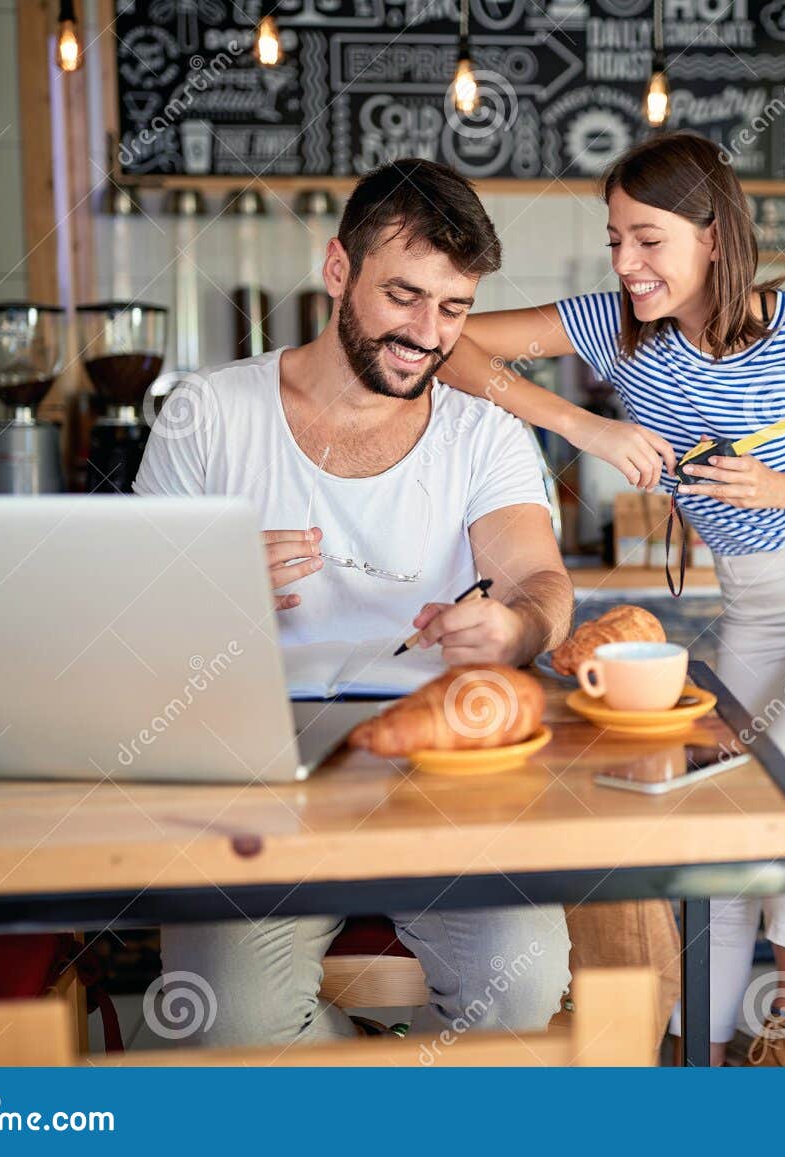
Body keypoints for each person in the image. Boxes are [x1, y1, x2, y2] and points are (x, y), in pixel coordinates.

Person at [439, 132, 785, 1064]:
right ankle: (697, 1054)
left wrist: (775, 485)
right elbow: (454, 345)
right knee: (716, 806)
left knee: (779, 783)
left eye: (648, 239)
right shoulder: (613, 326)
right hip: (759, 600)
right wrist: (583, 424)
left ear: (713, 234)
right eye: (615, 239)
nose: (626, 263)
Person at [132, 158, 574, 1047]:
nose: (427, 334)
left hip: (443, 768)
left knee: (523, 990)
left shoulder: (484, 431)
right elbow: (130, 621)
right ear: (338, 269)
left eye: (454, 309)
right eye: (403, 296)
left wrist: (514, 628)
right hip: (251, 775)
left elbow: (540, 582)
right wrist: (206, 588)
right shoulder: (208, 413)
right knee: (231, 1022)